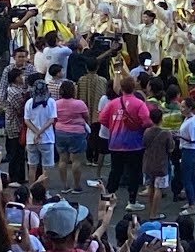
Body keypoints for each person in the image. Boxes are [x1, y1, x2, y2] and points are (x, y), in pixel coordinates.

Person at [100, 74, 154, 212]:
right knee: (134, 172)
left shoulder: (112, 103)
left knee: (115, 171)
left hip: (115, 142)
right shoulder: (139, 103)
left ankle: (110, 197)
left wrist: (113, 126)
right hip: (134, 143)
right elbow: (147, 121)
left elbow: (102, 119)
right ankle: (132, 200)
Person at [54, 79, 90, 194]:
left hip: (60, 131)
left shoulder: (56, 103)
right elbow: (86, 116)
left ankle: (64, 185)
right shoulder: (79, 103)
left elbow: (54, 117)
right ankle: (76, 185)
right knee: (76, 160)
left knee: (62, 159)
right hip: (76, 132)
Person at [142, 106, 174, 220]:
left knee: (150, 186)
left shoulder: (147, 132)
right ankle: (154, 213)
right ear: (161, 119)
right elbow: (170, 149)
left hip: (148, 163)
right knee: (158, 188)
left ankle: (151, 210)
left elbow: (144, 145)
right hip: (161, 164)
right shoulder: (166, 134)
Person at [24, 78, 58, 180]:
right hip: (47, 138)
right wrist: (40, 132)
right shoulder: (51, 102)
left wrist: (35, 133)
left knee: (32, 167)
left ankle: (31, 190)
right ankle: (43, 192)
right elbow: (51, 120)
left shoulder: (29, 102)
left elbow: (27, 120)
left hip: (31, 139)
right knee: (46, 169)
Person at [177, 97, 195, 216]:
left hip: (189, 150)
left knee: (187, 178)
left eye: (183, 107)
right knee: (192, 176)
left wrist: (179, 137)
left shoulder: (191, 122)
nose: (181, 109)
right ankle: (193, 200)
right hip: (188, 150)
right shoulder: (189, 118)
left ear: (189, 108)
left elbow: (193, 140)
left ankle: (192, 204)